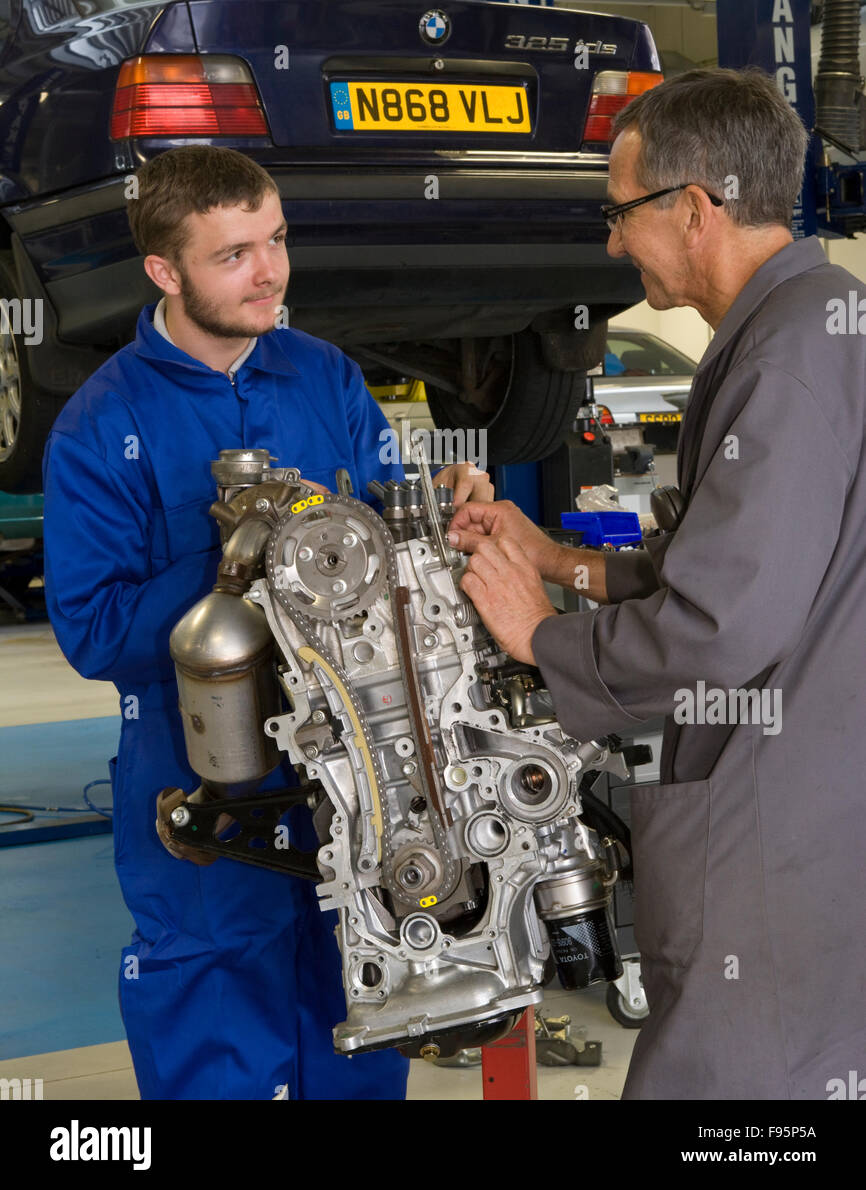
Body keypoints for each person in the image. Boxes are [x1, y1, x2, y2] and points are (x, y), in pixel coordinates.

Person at [448, 68, 866, 1101]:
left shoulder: (785, 361)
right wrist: (563, 561)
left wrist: (541, 636)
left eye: (617, 213)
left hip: (774, 829)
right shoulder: (817, 323)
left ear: (692, 207)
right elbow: (752, 565)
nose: (607, 244)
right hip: (818, 803)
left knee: (730, 1084)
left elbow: (721, 625)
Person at [42, 144, 492, 1101]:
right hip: (204, 772)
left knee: (362, 1005)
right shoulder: (99, 423)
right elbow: (92, 630)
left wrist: (434, 509)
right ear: (166, 271)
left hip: (354, 774)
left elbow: (381, 535)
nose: (272, 271)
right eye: (235, 253)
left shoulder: (323, 376)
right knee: (215, 1025)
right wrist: (240, 564)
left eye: (277, 239)